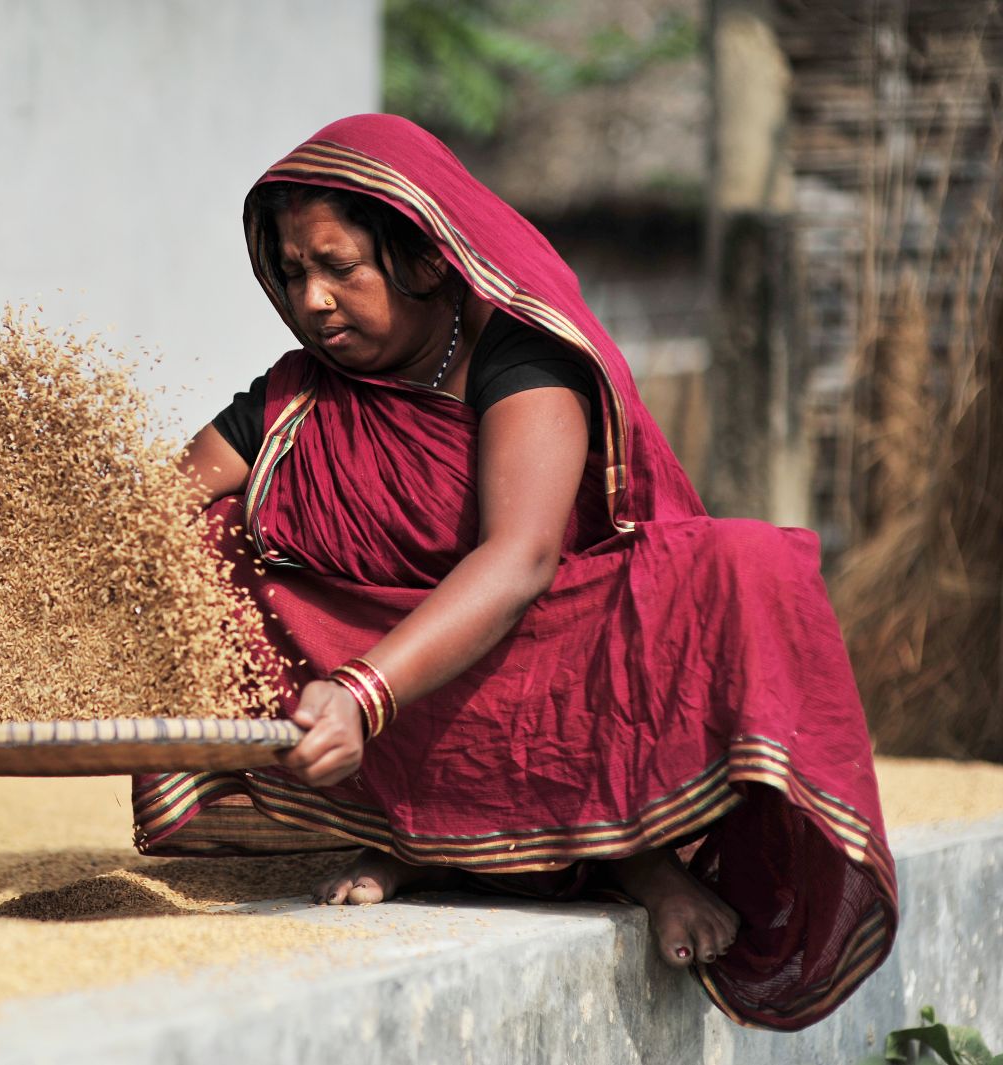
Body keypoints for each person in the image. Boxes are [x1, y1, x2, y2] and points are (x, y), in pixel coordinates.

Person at [131, 113, 897, 1032]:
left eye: (340, 266)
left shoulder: (520, 355)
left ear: (423, 258)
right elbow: (135, 526)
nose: (314, 299)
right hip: (389, 710)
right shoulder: (293, 401)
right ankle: (418, 842)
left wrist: (360, 692)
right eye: (294, 273)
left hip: (543, 679)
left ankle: (639, 860)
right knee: (203, 540)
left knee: (743, 564)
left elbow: (522, 558)